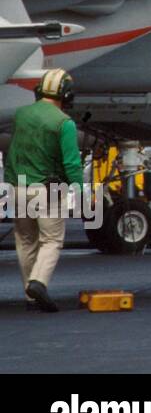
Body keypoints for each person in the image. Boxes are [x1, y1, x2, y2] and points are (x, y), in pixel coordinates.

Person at [4, 69, 83, 312]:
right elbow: (71, 162)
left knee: (26, 240)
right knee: (51, 240)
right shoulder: (63, 123)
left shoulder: (21, 114)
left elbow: (13, 151)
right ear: (66, 95)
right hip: (47, 190)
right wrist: (79, 190)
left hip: (18, 187)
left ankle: (30, 296)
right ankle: (38, 283)